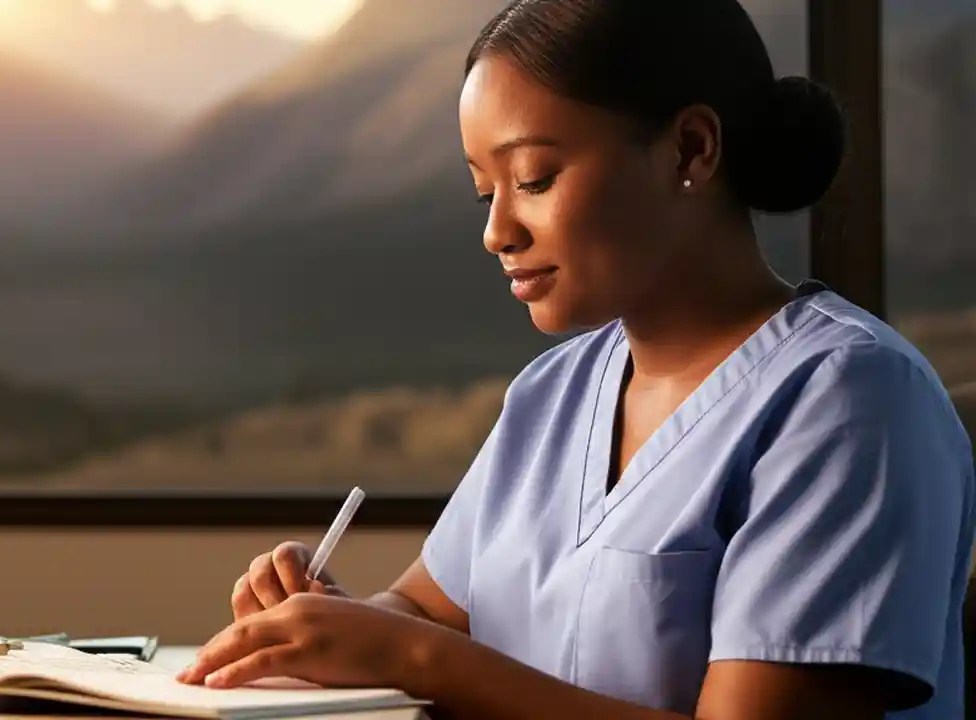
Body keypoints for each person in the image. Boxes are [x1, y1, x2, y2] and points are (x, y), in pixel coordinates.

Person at [176, 1, 975, 717]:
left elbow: (429, 649)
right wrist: (329, 620)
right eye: (485, 192)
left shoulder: (850, 399)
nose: (497, 232)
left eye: (534, 177)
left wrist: (413, 659)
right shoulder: (552, 394)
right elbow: (424, 610)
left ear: (691, 150)